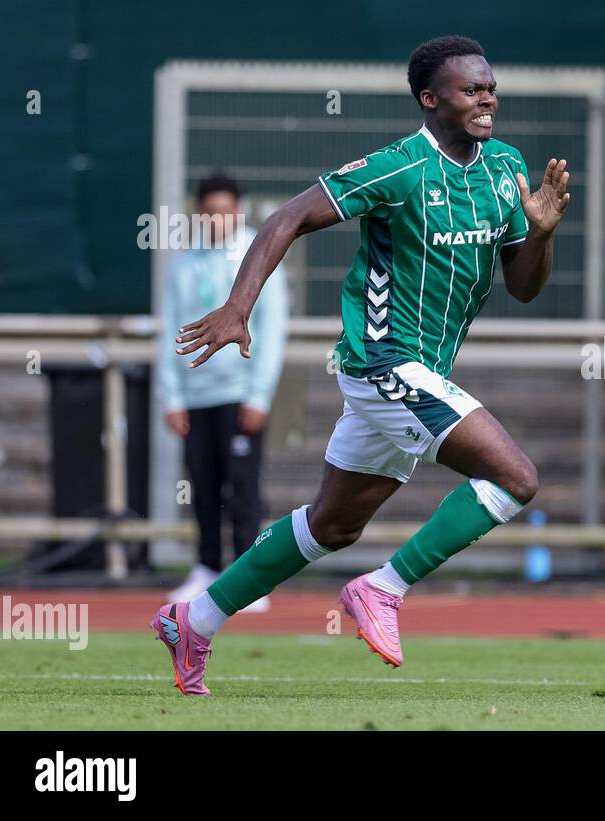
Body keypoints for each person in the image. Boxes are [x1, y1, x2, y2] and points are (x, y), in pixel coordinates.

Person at [150, 35, 570, 695]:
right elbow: (287, 216)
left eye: (490, 86)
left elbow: (524, 285)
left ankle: (192, 619)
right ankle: (385, 587)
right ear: (430, 100)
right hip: (383, 361)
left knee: (333, 524)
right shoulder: (398, 168)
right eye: (470, 88)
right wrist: (238, 306)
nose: (487, 97)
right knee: (516, 477)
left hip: (420, 372)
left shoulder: (505, 168)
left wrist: (540, 233)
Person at [157, 172, 288, 614]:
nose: (217, 220)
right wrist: (172, 396)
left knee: (243, 485)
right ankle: (207, 568)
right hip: (196, 395)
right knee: (202, 485)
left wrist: (259, 396)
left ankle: (250, 576)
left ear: (239, 211)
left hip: (240, 391)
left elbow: (273, 331)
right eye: (208, 212)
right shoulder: (185, 263)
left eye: (225, 211)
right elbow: (168, 331)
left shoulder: (259, 256)